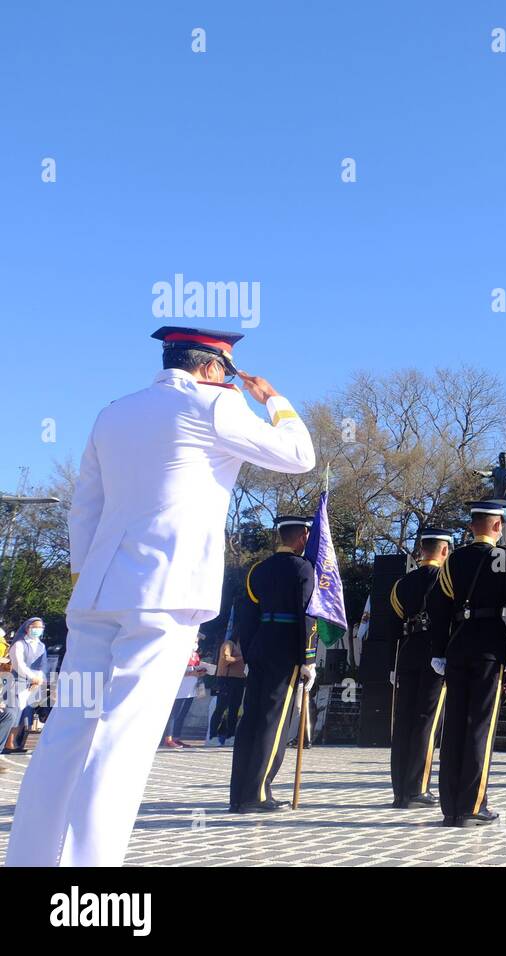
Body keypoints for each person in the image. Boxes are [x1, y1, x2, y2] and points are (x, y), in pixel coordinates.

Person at [7, 327, 314, 866]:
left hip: (99, 593)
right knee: (122, 741)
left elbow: (86, 509)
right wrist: (274, 401)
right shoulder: (213, 406)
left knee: (67, 733)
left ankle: (29, 861)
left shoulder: (114, 412)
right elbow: (299, 454)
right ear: (214, 367)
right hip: (164, 594)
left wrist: (88, 579)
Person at [427, 499, 506, 826]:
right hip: (490, 648)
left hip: (457, 647)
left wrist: (438, 651)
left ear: (472, 526)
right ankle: (472, 806)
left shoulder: (453, 560)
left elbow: (438, 606)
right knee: (479, 728)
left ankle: (450, 807)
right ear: (498, 526)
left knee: (456, 725)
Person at [229, 515, 318, 812]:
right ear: (304, 536)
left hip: (261, 645)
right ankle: (258, 793)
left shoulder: (259, 569)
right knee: (274, 721)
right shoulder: (304, 569)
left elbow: (247, 614)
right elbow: (307, 615)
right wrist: (308, 658)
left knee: (251, 718)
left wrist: (251, 651)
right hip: (287, 648)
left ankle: (240, 793)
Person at [387, 525, 455, 809]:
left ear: (421, 550)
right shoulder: (447, 580)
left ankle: (400, 788)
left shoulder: (401, 583)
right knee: (426, 721)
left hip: (407, 652)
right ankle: (417, 788)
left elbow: (394, 621)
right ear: (444, 550)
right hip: (434, 654)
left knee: (403, 720)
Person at [8, 617, 47, 752]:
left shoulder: (41, 646)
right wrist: (32, 676)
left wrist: (40, 678)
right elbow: (19, 665)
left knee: (26, 713)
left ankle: (17, 742)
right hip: (17, 682)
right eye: (35, 627)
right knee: (15, 712)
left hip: (34, 684)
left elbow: (43, 665)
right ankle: (8, 743)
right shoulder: (19, 644)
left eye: (41, 628)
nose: (38, 630)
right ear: (28, 628)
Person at [161, 641, 206, 748]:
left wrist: (201, 672)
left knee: (182, 714)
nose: (196, 643)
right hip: (180, 689)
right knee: (174, 714)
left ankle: (176, 737)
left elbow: (195, 668)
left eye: (197, 641)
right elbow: (175, 670)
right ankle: (168, 738)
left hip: (191, 689)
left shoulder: (195, 655)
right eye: (195, 640)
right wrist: (191, 673)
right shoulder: (181, 652)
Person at [208, 633, 246, 746]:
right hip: (226, 679)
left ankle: (231, 735)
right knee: (221, 707)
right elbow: (226, 659)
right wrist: (241, 657)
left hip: (239, 680)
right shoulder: (229, 644)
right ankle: (212, 736)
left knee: (234, 709)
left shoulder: (243, 645)